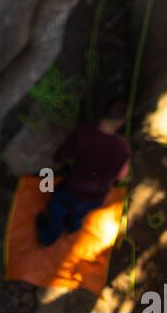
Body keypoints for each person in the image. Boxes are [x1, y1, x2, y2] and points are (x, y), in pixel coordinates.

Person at [35, 102, 132, 247]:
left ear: (101, 114)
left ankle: (48, 238)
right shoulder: (123, 148)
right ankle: (71, 226)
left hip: (72, 189)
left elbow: (60, 157)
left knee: (57, 210)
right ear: (121, 122)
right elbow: (120, 176)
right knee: (78, 213)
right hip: (96, 196)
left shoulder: (82, 133)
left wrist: (58, 164)